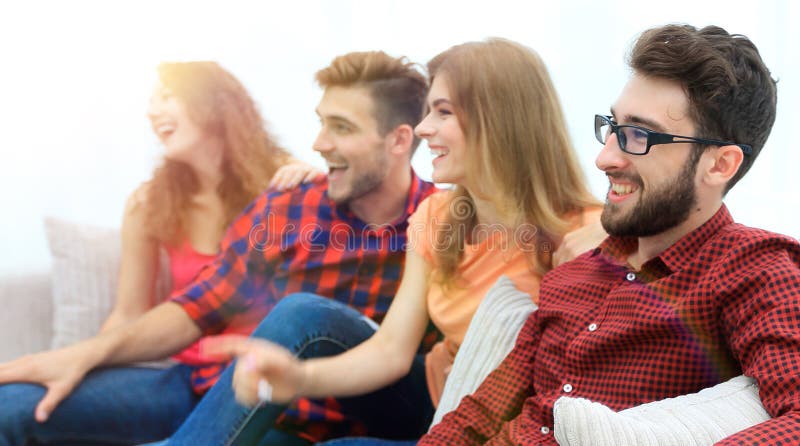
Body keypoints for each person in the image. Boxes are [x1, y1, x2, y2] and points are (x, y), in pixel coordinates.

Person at [0, 52, 437, 446]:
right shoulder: (287, 207)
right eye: (321, 122)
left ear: (399, 141)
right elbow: (197, 306)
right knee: (12, 404)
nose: (319, 143)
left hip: (299, 417)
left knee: (301, 311)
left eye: (340, 127)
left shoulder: (443, 223)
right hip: (211, 385)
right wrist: (76, 357)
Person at [201, 38, 604, 445]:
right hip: (424, 397)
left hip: (498, 421)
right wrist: (299, 378)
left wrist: (616, 234)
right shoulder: (436, 216)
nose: (424, 128)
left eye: (442, 112)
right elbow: (392, 349)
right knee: (303, 312)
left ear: (500, 119)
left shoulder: (584, 235)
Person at [414, 24, 799, 445]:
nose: (604, 158)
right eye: (612, 127)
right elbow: (482, 413)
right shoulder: (570, 276)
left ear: (720, 165)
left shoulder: (756, 270)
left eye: (638, 136)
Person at [102, 61, 318, 381]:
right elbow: (127, 314)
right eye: (150, 103)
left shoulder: (287, 182)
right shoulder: (149, 203)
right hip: (181, 376)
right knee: (13, 402)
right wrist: (78, 362)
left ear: (213, 105)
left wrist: (320, 184)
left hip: (255, 375)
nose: (151, 113)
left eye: (167, 96)